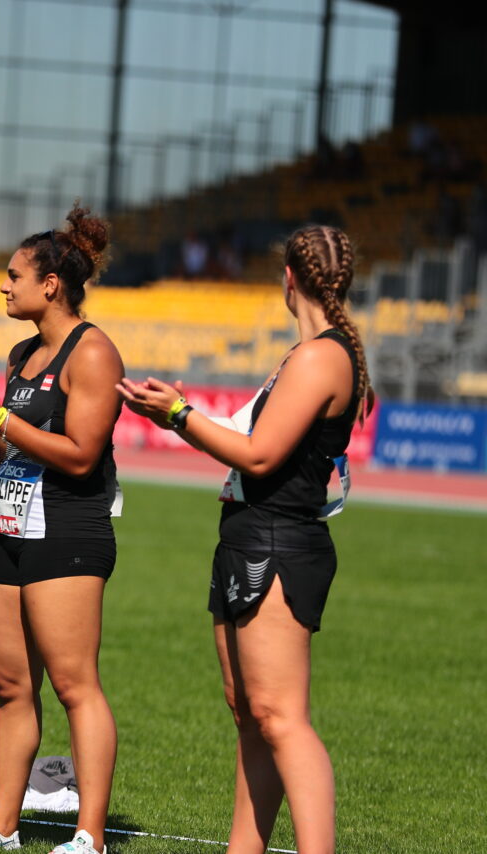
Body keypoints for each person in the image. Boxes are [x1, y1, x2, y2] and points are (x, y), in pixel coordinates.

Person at [116, 224, 371, 854]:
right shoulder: (309, 353)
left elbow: (258, 455)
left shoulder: (322, 356)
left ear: (289, 278)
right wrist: (178, 412)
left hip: (280, 542)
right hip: (250, 534)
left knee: (281, 717)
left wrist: (178, 414)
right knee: (250, 713)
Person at [0, 205, 123, 854]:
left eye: (15, 276)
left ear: (52, 286)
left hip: (68, 530)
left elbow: (81, 454)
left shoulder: (92, 352)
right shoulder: (19, 353)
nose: (4, 286)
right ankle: (0, 828)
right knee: (12, 687)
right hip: (10, 524)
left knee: (74, 685)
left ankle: (88, 836)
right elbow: (14, 453)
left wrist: (0, 421)